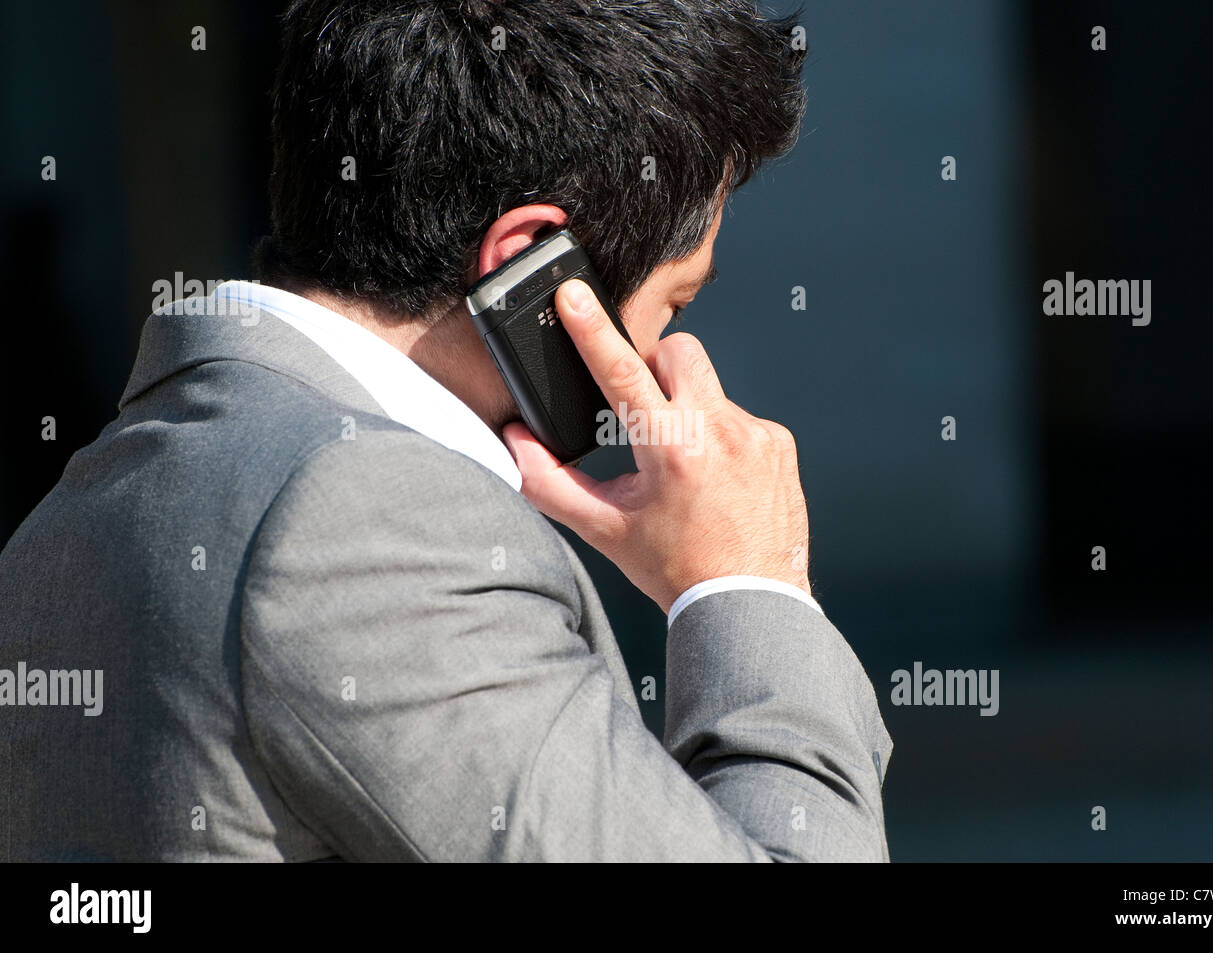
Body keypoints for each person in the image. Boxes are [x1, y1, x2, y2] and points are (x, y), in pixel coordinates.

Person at [0, 0, 892, 861]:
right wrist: (747, 588)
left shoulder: (78, 508)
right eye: (675, 301)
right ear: (531, 270)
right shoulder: (367, 523)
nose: (666, 358)